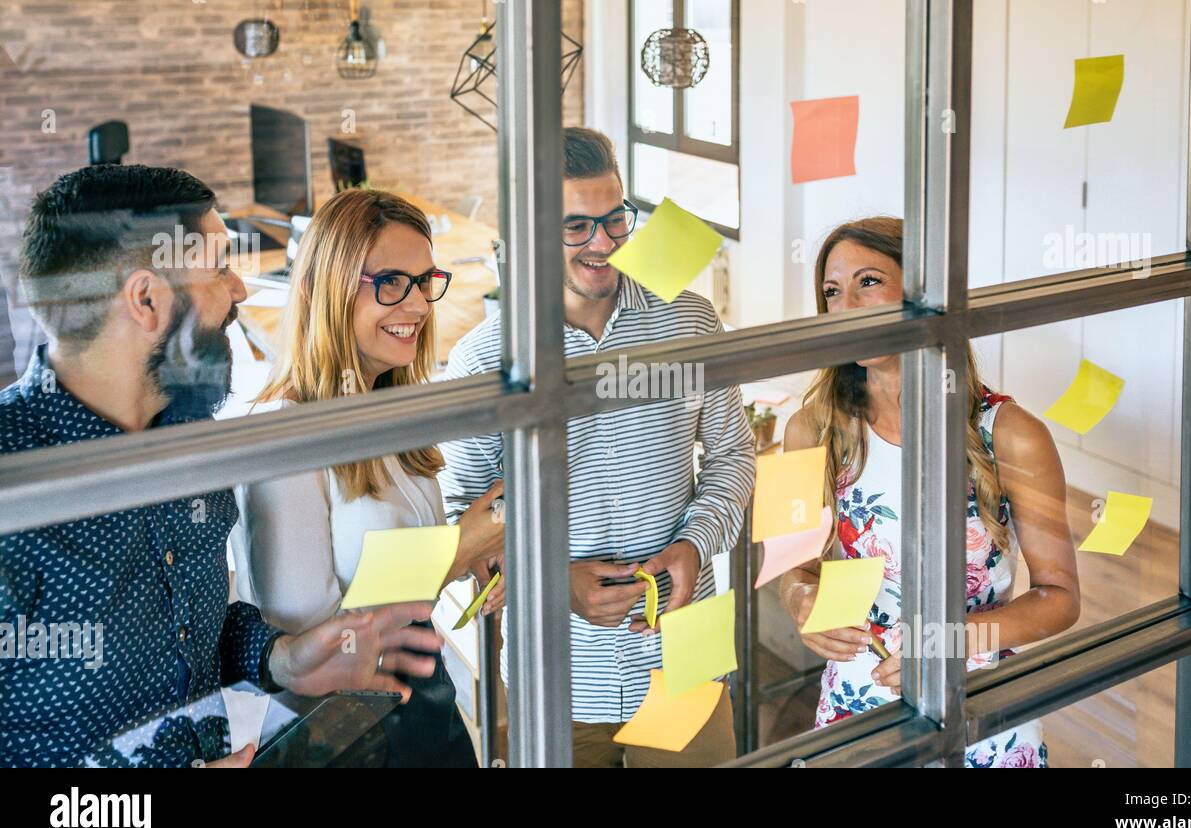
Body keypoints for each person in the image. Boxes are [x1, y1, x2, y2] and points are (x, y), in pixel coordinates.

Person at [0, 165, 442, 768]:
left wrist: (279, 657)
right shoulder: (15, 483)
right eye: (219, 269)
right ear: (148, 300)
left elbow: (200, 632)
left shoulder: (191, 437)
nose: (239, 290)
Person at [438, 127, 757, 767]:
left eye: (615, 219)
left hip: (683, 656)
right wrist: (551, 582)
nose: (604, 244)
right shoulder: (482, 358)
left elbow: (732, 455)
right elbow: (461, 519)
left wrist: (696, 546)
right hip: (554, 672)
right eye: (575, 227)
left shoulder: (690, 321)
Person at [778, 216, 1081, 768]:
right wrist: (801, 602)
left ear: (924, 295)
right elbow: (793, 570)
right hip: (856, 701)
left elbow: (1061, 599)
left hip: (977, 702)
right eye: (831, 291)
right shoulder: (806, 429)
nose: (844, 307)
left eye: (868, 282)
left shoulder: (1011, 434)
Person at [230, 188, 505, 767]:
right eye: (391, 284)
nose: (418, 305)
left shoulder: (386, 406)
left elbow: (386, 556)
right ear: (330, 290)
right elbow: (312, 642)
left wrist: (474, 551)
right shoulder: (287, 433)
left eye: (425, 281)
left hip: (422, 706)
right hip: (351, 737)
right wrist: (457, 552)